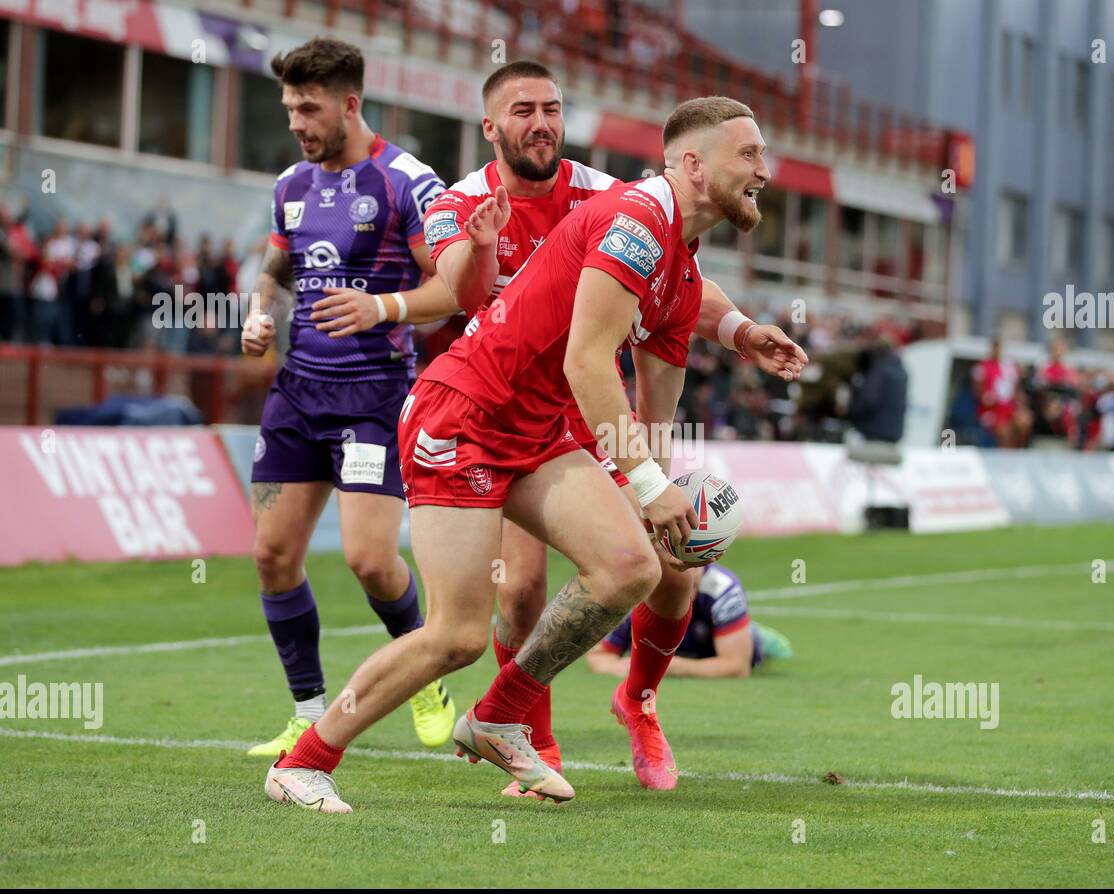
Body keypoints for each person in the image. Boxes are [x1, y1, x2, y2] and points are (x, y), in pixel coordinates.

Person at [263, 95, 783, 812]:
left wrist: (661, 493)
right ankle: (305, 759)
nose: (765, 169)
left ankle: (501, 715)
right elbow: (587, 365)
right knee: (455, 636)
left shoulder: (684, 276)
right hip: (464, 414)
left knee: (633, 563)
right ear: (692, 165)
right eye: (749, 155)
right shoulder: (637, 220)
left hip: (536, 429)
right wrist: (644, 482)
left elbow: (653, 417)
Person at [238, 37, 461, 759]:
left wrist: (382, 308)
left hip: (371, 396)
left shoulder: (406, 181)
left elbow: (452, 290)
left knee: (369, 559)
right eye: (290, 108)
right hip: (298, 392)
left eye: (309, 108)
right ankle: (306, 710)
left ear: (350, 104)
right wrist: (259, 312)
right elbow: (277, 269)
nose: (297, 122)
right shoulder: (291, 185)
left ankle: (425, 674)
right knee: (273, 555)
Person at [586, 563, 792, 679]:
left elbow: (737, 667)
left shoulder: (723, 589)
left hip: (712, 645)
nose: (685, 577)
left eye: (690, 565)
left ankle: (753, 632)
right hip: (679, 644)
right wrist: (620, 668)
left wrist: (670, 667)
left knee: (753, 642)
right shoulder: (638, 589)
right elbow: (600, 656)